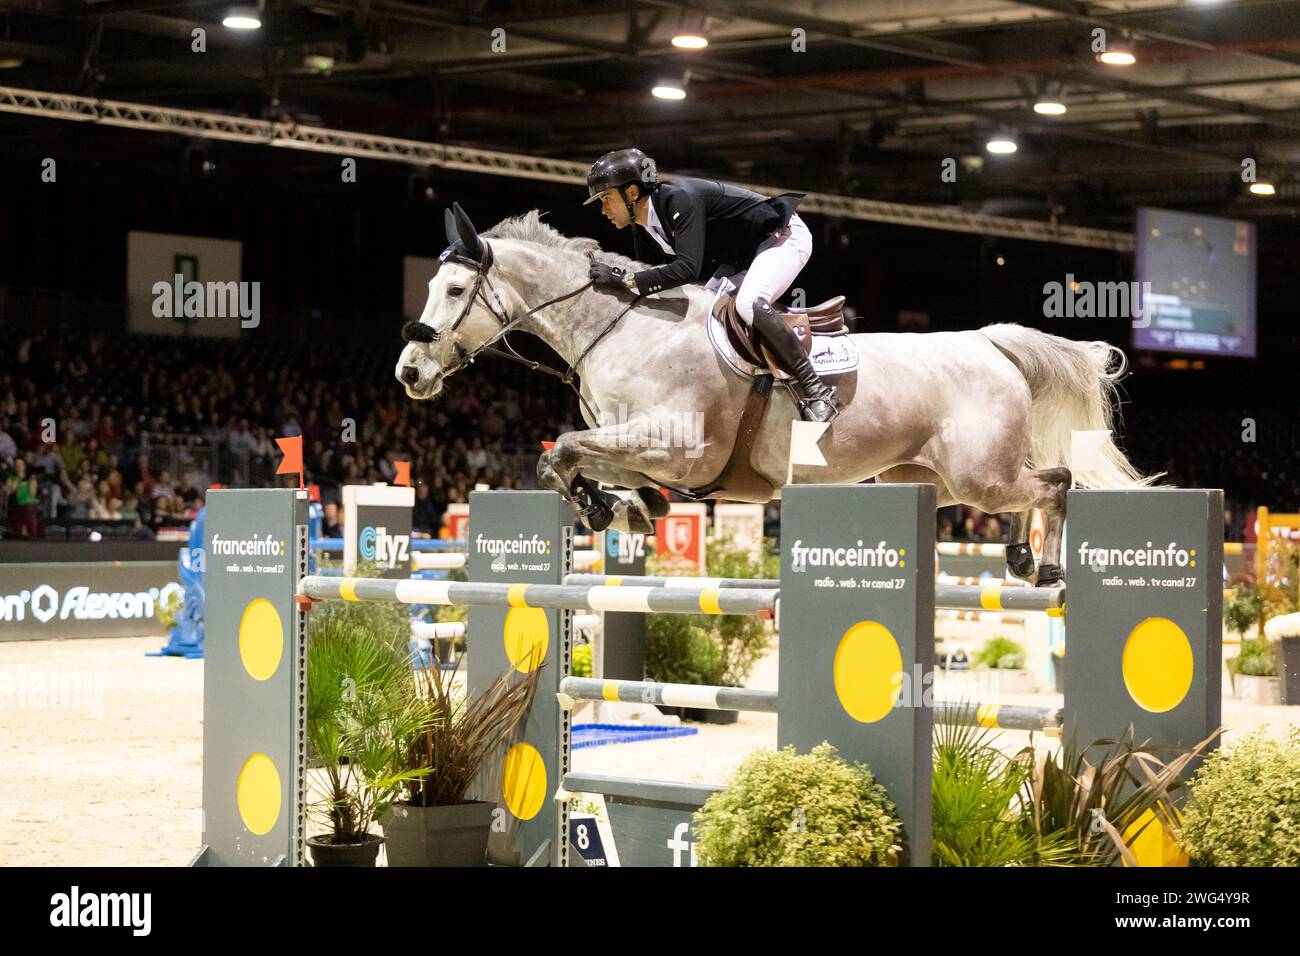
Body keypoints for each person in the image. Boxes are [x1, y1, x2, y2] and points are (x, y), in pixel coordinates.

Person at [584, 147, 840, 423]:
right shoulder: (644, 230)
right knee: (699, 318)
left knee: (748, 303)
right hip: (742, 258)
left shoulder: (679, 200)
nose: (603, 209)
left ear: (632, 193)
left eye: (606, 198)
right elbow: (650, 281)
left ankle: (817, 389)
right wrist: (619, 283)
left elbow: (686, 268)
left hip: (783, 236)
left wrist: (623, 278)